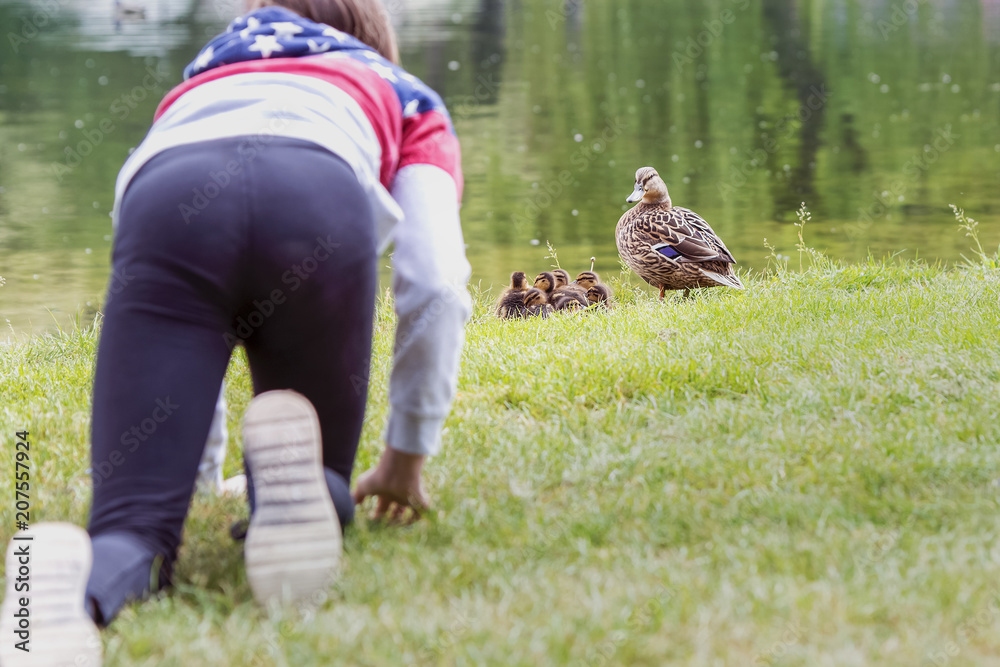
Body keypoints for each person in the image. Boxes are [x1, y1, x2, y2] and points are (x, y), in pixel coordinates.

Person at [0, 1, 471, 664]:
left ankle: (69, 594)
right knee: (318, 474)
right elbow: (437, 281)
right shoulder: (403, 92)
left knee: (132, 528)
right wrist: (405, 454)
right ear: (372, 32)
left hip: (166, 195)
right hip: (319, 197)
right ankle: (297, 490)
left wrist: (187, 472)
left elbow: (176, 312)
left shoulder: (200, 78)